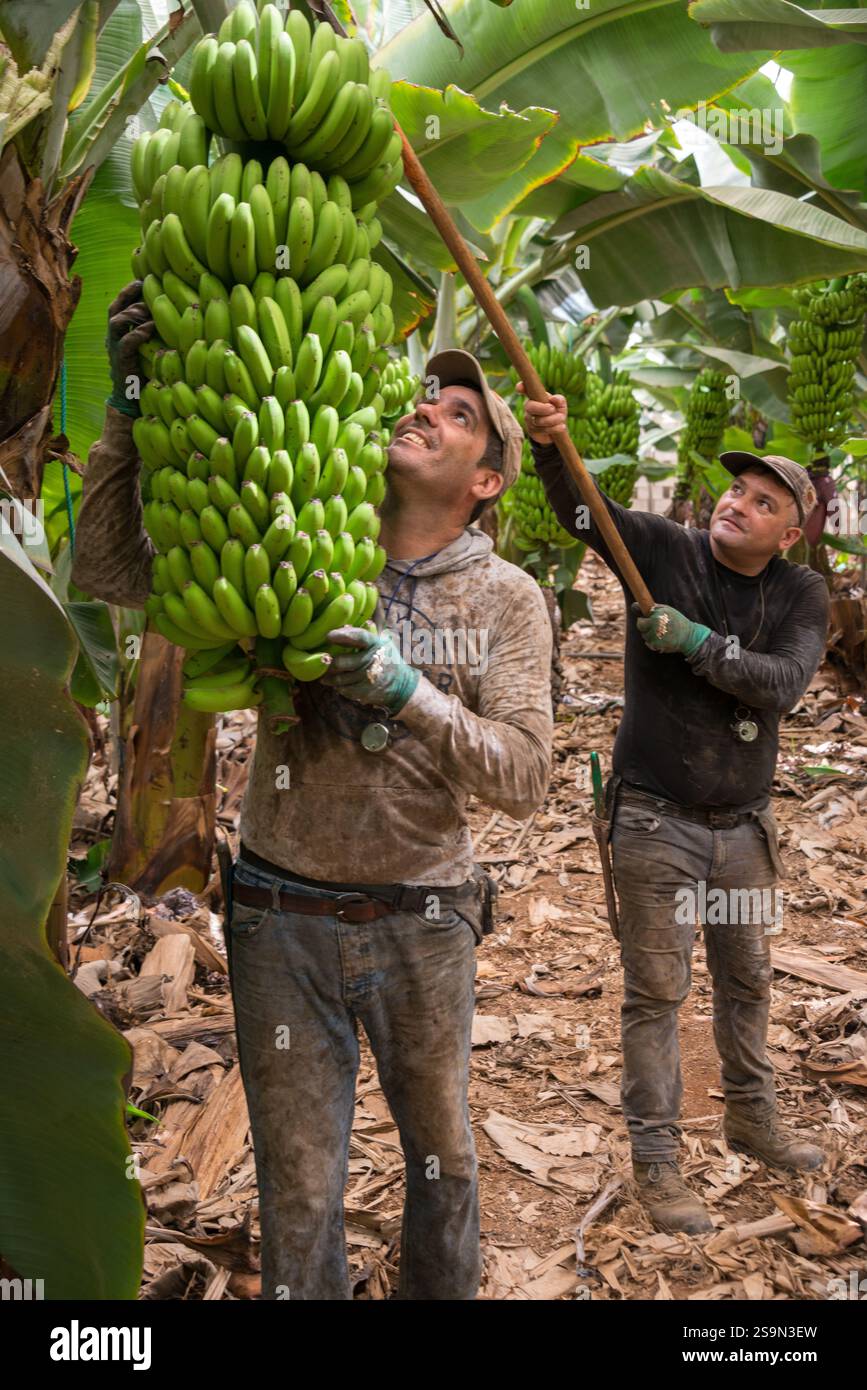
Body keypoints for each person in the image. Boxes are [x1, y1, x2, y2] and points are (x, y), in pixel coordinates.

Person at [72, 290, 554, 1298]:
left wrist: (408, 691)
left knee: (445, 1164)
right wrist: (127, 402)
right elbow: (112, 569)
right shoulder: (301, 542)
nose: (428, 409)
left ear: (488, 479)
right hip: (281, 915)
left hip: (424, 915)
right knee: (297, 1187)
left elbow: (523, 775)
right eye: (428, 398)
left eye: (462, 414)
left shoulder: (507, 599)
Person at [521, 386, 830, 1236]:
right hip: (654, 820)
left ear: (789, 532)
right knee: (656, 994)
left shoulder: (800, 595)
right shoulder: (662, 549)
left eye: (763, 503)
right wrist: (552, 447)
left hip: (742, 828)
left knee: (748, 981)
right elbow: (587, 516)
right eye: (736, 491)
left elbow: (783, 684)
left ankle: (750, 1116)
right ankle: (656, 1160)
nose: (738, 504)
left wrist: (697, 644)